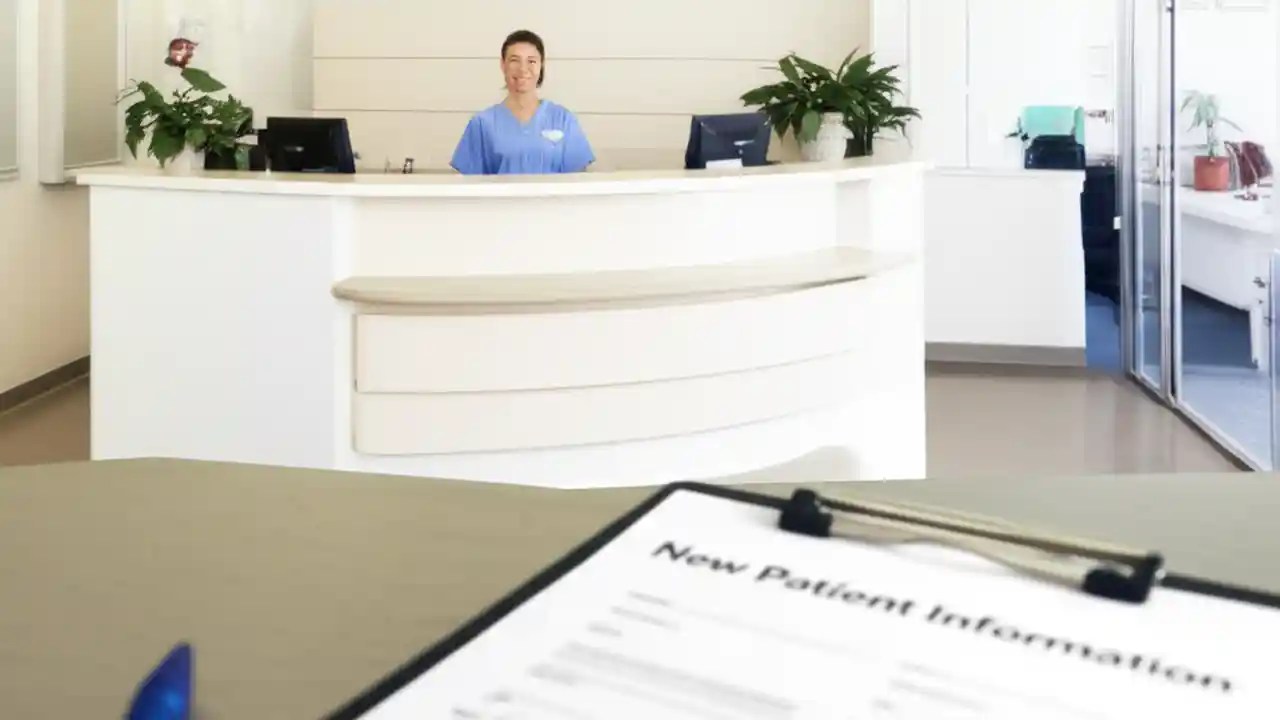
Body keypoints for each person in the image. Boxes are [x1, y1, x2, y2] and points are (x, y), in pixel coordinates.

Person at [450, 30, 595, 175]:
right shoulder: (482, 124)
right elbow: (469, 185)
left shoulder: (563, 119)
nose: (523, 69)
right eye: (514, 60)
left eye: (531, 61)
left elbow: (578, 179)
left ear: (541, 65)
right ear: (503, 64)